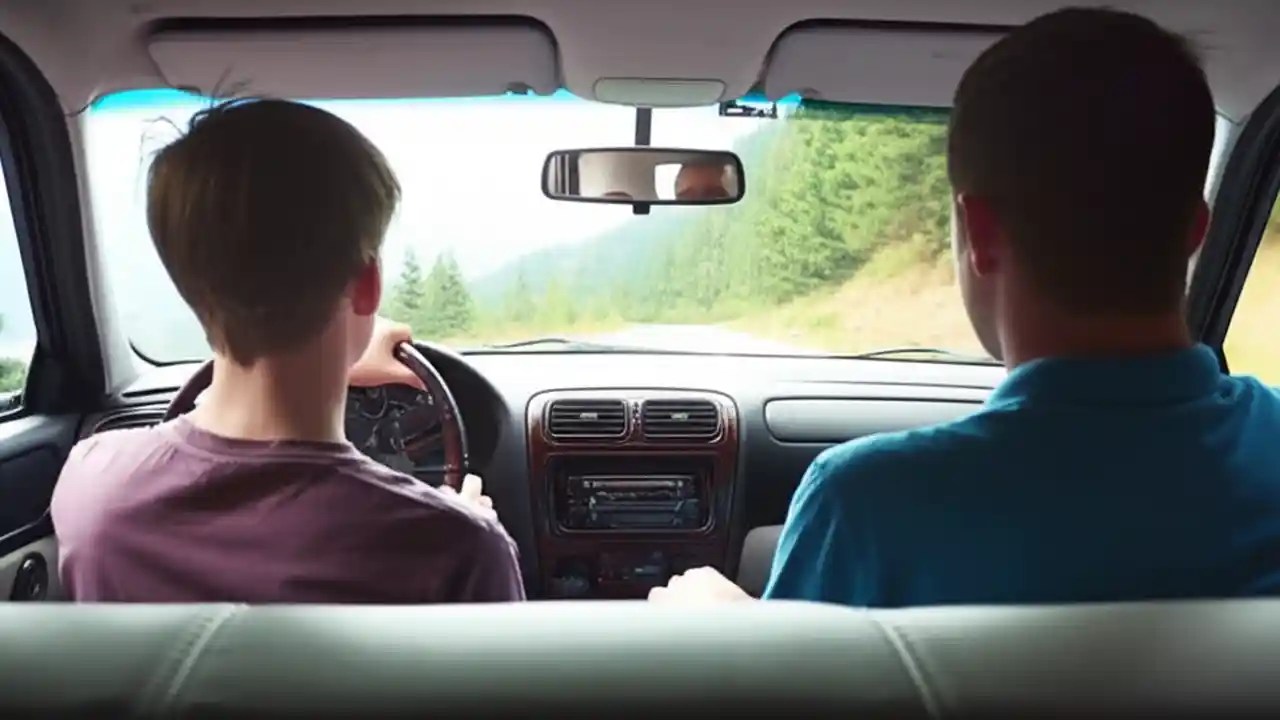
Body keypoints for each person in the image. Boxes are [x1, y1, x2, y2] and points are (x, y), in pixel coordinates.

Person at [650, 7, 1280, 607]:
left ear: (979, 233)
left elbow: (785, 692)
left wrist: (726, 629)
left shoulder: (869, 507)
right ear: (1196, 229)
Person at [51, 99, 524, 603]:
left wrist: (338, 353)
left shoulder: (91, 486)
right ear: (368, 284)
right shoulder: (458, 548)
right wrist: (471, 518)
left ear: (190, 287)